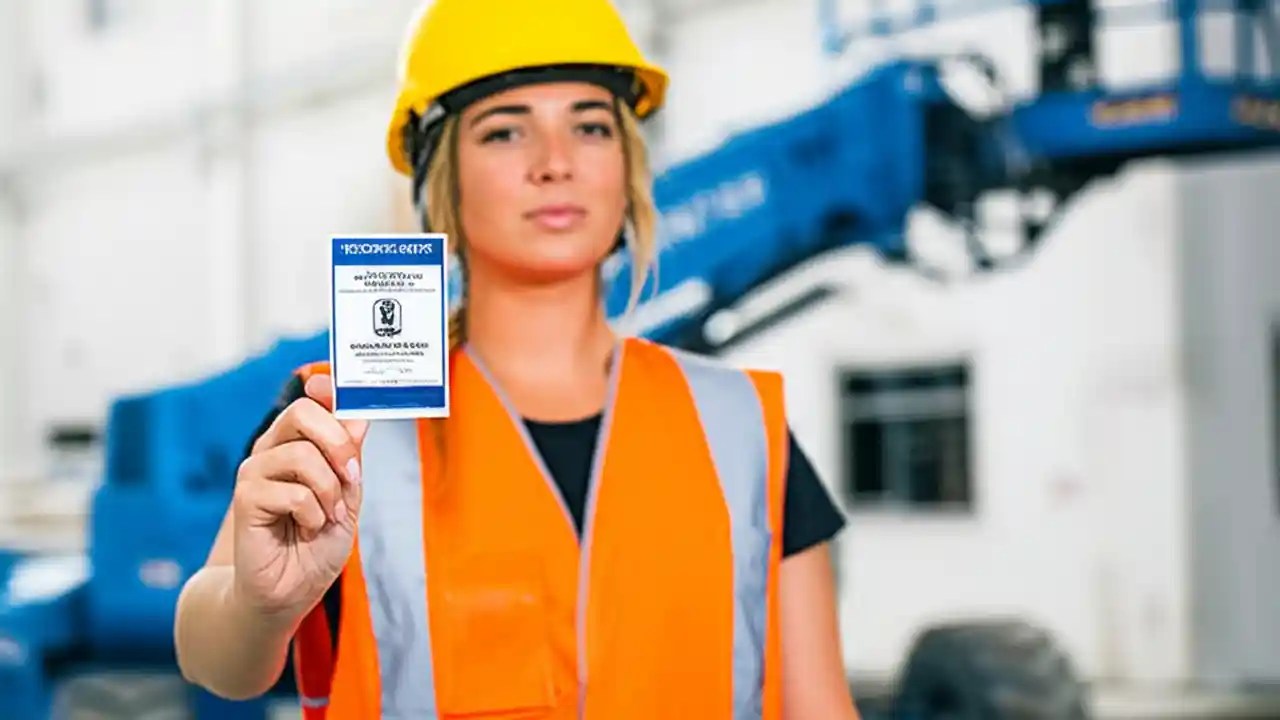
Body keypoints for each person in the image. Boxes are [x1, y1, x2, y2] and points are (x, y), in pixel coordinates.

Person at [173, 0, 859, 718]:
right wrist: (260, 605)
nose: (555, 163)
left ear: (627, 166)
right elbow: (212, 658)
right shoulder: (341, 425)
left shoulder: (744, 427)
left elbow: (820, 706)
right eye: (505, 132)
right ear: (443, 178)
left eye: (590, 127)